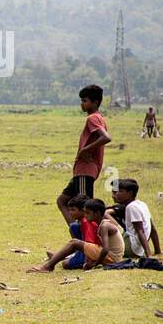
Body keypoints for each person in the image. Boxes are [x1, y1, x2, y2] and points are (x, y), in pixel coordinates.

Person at [55, 84, 111, 227]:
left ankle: (92, 238)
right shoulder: (99, 118)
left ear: (95, 102)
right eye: (81, 100)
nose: (82, 104)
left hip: (86, 169)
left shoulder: (93, 118)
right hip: (82, 170)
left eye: (85, 101)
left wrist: (85, 150)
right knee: (62, 200)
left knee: (86, 208)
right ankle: (77, 233)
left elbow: (105, 137)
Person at [29, 199, 124, 271]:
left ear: (97, 213)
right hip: (112, 257)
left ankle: (48, 266)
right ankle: (56, 261)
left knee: (74, 243)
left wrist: (94, 264)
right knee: (75, 244)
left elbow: (105, 249)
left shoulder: (104, 225)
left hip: (112, 258)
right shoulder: (103, 223)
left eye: (88, 213)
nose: (85, 215)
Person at [111, 178, 159, 260]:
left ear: (130, 193)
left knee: (107, 246)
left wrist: (149, 255)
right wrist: (158, 250)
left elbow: (140, 231)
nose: (117, 194)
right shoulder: (142, 204)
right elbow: (153, 229)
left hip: (132, 248)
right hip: (139, 249)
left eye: (121, 191)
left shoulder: (131, 207)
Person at [60, 194, 94, 269]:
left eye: (73, 210)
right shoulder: (80, 221)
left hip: (89, 250)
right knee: (73, 226)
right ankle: (73, 254)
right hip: (84, 248)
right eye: (69, 210)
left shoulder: (86, 222)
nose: (70, 212)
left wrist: (88, 261)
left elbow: (89, 243)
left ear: (82, 211)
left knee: (65, 264)